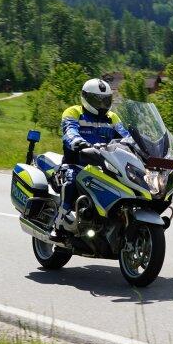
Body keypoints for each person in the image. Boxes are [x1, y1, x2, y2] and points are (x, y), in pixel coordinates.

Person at [55, 78, 130, 232]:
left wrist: (139, 146)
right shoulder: (74, 112)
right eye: (97, 100)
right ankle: (61, 219)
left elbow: (126, 136)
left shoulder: (112, 118)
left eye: (105, 100)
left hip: (105, 165)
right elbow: (70, 131)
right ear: (86, 97)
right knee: (70, 179)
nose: (102, 104)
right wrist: (77, 142)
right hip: (76, 162)